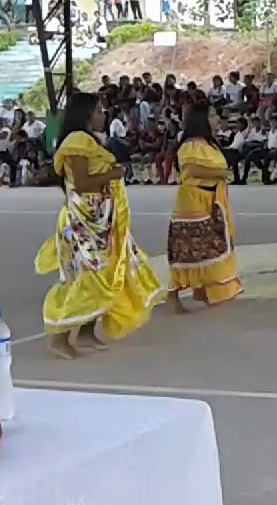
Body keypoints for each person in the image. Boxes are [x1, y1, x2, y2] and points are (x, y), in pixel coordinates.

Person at [34, 92, 163, 359]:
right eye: (99, 111)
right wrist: (113, 174)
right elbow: (81, 184)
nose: (103, 115)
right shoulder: (77, 141)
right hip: (85, 223)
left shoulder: (89, 140)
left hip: (100, 221)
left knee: (105, 272)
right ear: (86, 114)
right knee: (90, 276)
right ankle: (60, 337)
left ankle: (86, 332)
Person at [167, 102, 242, 313]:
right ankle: (172, 294)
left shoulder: (210, 145)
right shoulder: (190, 145)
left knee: (210, 247)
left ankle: (209, 290)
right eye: (212, 115)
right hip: (193, 201)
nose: (216, 119)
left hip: (211, 199)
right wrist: (219, 174)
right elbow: (190, 168)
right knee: (189, 249)